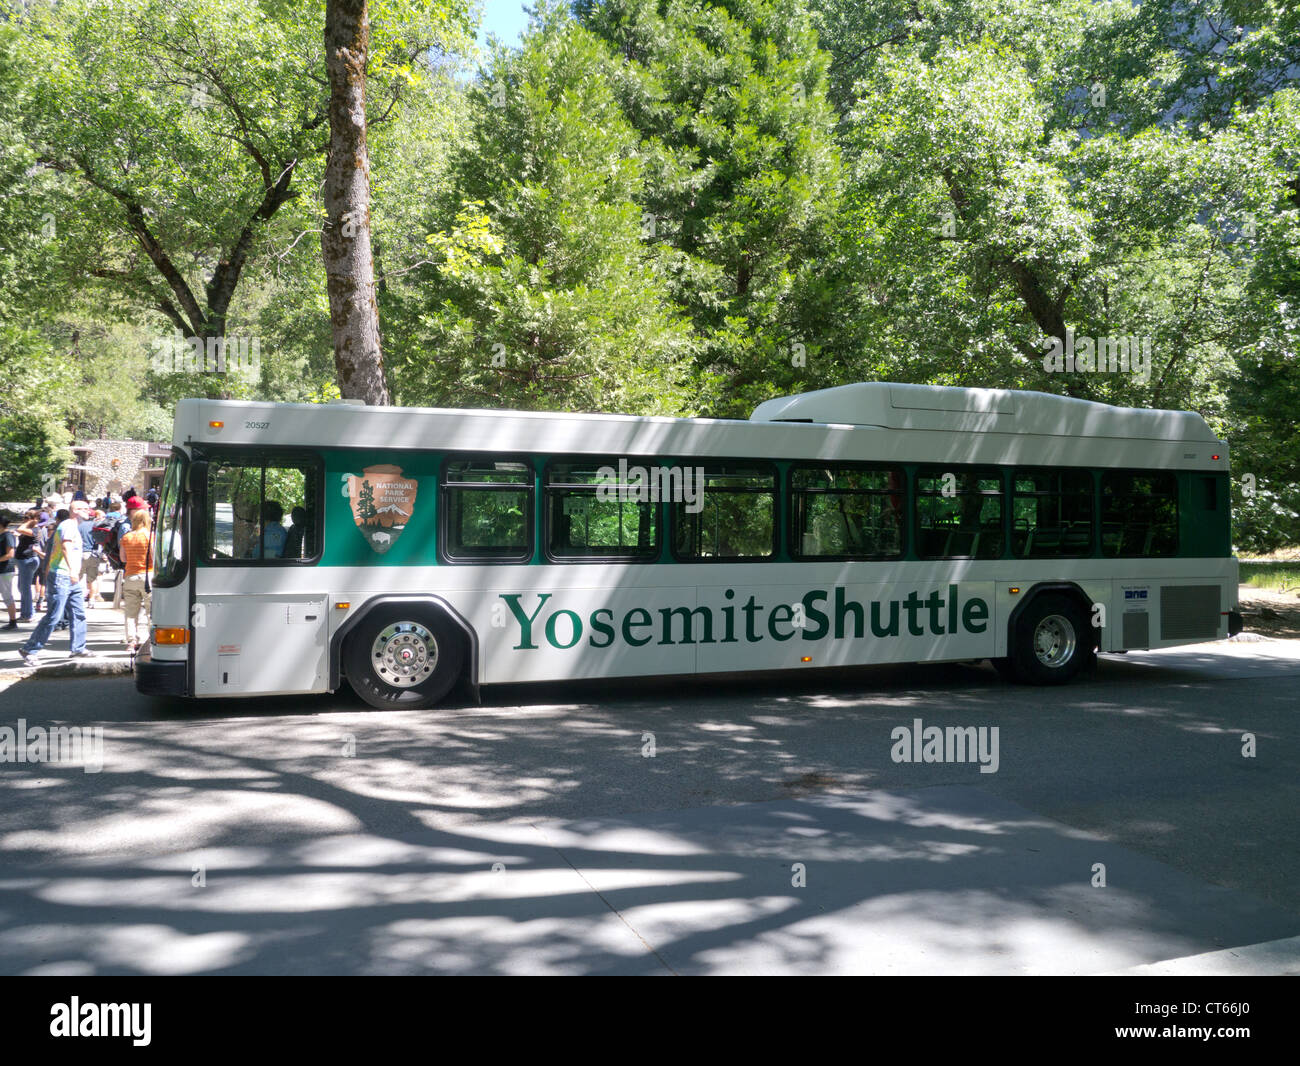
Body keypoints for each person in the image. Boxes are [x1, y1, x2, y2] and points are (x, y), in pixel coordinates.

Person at [20, 499, 89, 666]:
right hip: (63, 576)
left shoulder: (73, 526)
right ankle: (30, 649)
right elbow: (65, 547)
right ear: (75, 510)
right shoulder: (68, 526)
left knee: (78, 613)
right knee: (54, 615)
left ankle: (78, 648)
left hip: (71, 577)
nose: (89, 511)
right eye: (85, 509)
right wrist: (73, 571)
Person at [119, 509, 153, 654]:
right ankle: (152, 640)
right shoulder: (150, 536)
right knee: (151, 611)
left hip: (130, 576)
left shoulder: (126, 537)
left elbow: (123, 559)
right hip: (147, 575)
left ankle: (132, 641)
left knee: (131, 612)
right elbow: (153, 556)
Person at [13, 511, 41, 622]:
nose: (24, 519)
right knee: (21, 587)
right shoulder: (30, 529)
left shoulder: (35, 529)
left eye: (26, 517)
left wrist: (30, 521)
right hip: (23, 560)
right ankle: (27, 612)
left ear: (34, 518)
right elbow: (19, 532)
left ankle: (28, 614)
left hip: (28, 560)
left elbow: (20, 529)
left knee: (25, 588)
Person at [77, 503, 102, 607]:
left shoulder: (79, 526)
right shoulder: (96, 526)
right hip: (94, 554)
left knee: (77, 577)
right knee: (93, 579)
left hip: (81, 553)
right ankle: (91, 601)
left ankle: (77, 599)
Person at [0, 517, 17, 630]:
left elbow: (10, 554)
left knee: (7, 596)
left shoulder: (8, 536)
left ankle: (13, 621)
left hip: (5, 570)